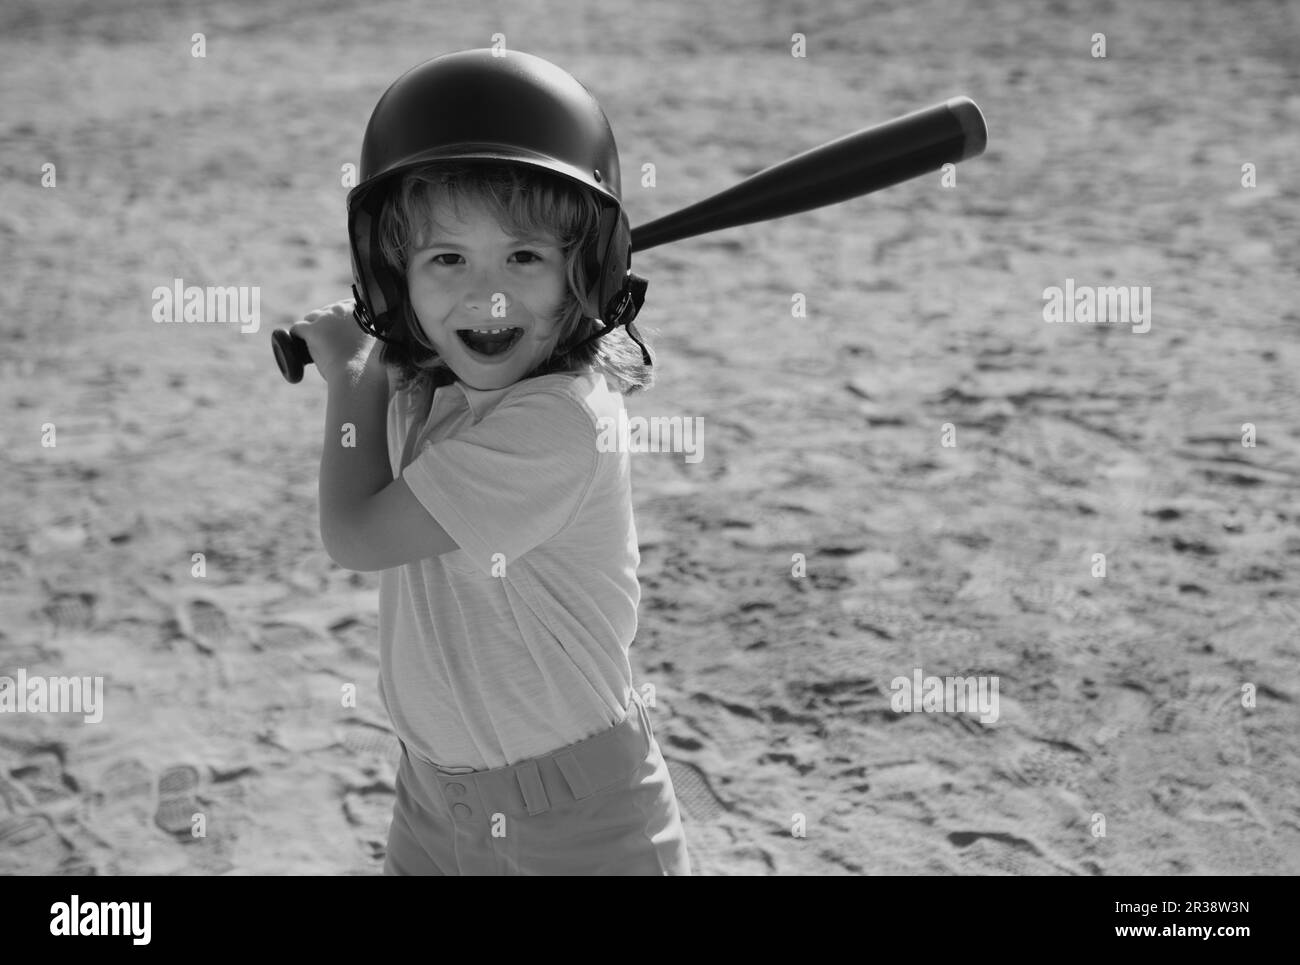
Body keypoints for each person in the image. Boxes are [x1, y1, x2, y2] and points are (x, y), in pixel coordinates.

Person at [289, 48, 691, 875]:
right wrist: (389, 351)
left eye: (524, 257)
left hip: (575, 824)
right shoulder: (436, 382)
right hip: (436, 804)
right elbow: (415, 359)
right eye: (448, 260)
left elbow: (357, 534)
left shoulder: (557, 424)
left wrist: (353, 379)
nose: (489, 297)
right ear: (394, 276)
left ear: (585, 272)